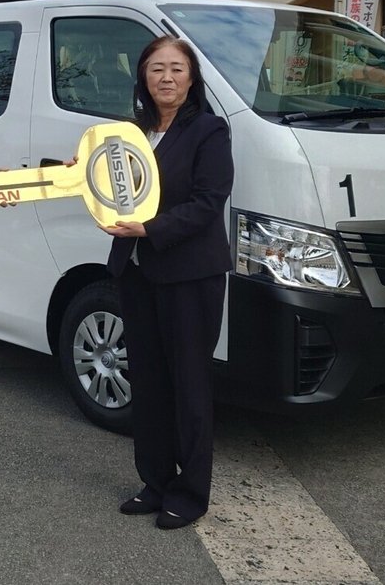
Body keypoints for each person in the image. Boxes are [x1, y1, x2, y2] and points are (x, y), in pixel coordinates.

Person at [99, 35, 235, 530]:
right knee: (150, 382)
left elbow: (208, 201)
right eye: (156, 69)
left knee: (190, 386)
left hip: (189, 275)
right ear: (142, 76)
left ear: (192, 76)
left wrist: (150, 229)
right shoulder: (132, 132)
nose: (166, 78)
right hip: (136, 271)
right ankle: (154, 481)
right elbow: (111, 187)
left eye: (177, 69)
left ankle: (190, 491)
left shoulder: (209, 131)